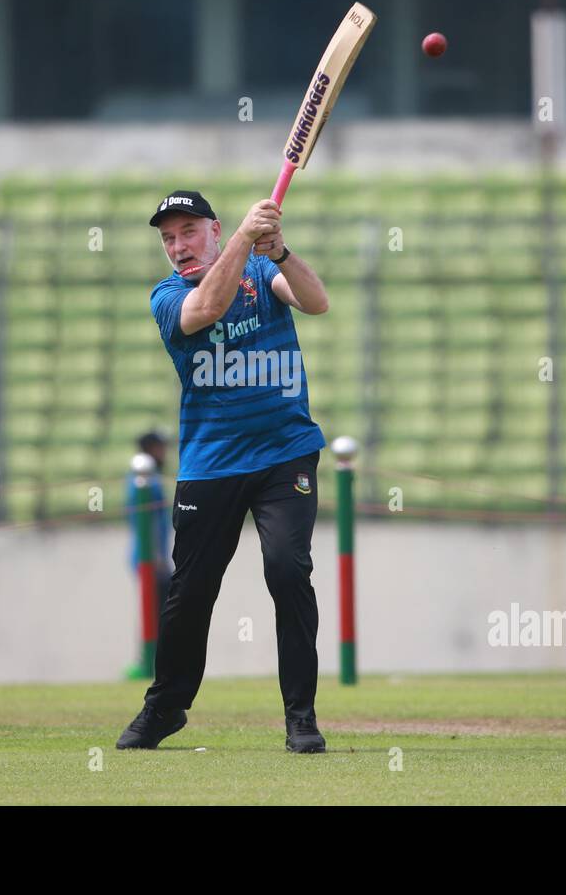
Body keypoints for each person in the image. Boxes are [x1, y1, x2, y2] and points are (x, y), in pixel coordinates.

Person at [116, 189, 330, 753]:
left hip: (286, 454)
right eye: (167, 238)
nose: (177, 246)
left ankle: (300, 717)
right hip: (212, 464)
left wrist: (280, 250)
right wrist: (243, 235)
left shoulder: (263, 270)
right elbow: (207, 309)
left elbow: (316, 301)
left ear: (211, 230)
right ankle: (165, 708)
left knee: (288, 571)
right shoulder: (168, 296)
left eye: (188, 232)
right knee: (190, 591)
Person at [124, 430, 173, 679]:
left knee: (157, 611)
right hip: (151, 560)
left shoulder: (150, 480)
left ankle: (154, 664)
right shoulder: (146, 482)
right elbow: (147, 524)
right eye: (161, 446)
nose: (165, 452)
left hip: (152, 559)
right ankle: (150, 664)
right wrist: (158, 560)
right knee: (157, 613)